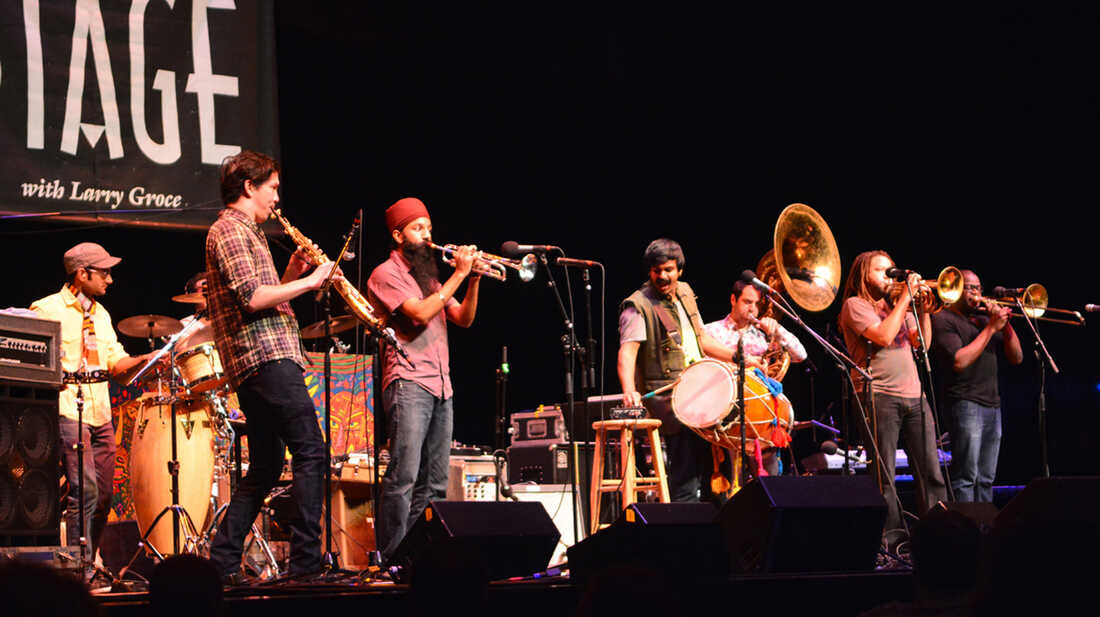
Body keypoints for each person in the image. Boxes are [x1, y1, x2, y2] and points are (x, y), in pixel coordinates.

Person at [204, 150, 337, 582]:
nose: (276, 199)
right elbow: (251, 298)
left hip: (264, 355)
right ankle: (304, 566)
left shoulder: (249, 232)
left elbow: (264, 296)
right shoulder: (228, 230)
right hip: (265, 358)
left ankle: (222, 563)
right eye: (272, 188)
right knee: (311, 450)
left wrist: (291, 273)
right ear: (249, 187)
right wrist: (312, 280)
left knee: (264, 466)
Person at [30, 242, 159, 574]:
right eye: (104, 272)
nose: (110, 279)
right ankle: (77, 568)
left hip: (100, 412)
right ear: (82, 273)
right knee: (83, 490)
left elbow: (115, 361)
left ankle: (88, 558)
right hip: (68, 410)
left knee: (102, 496)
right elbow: (35, 363)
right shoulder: (46, 310)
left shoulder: (100, 314)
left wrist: (142, 362)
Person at [366, 197, 482, 563]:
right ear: (398, 235)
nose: (428, 236)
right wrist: (460, 274)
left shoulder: (429, 277)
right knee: (403, 478)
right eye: (418, 229)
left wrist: (474, 278)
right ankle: (392, 559)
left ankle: (420, 557)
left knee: (434, 484)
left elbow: (463, 318)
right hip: (409, 382)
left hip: (441, 384)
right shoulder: (384, 274)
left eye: (429, 228)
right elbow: (417, 315)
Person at [838, 250, 947, 546]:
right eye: (881, 271)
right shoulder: (855, 305)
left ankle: (939, 537)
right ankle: (892, 543)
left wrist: (922, 309)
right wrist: (904, 301)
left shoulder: (898, 306)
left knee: (931, 472)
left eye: (892, 270)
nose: (890, 276)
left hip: (915, 396)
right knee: (884, 477)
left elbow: (921, 345)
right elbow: (884, 337)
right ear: (863, 275)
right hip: (878, 396)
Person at [617, 238, 736, 503]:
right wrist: (629, 392)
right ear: (649, 271)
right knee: (686, 478)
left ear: (679, 270)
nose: (662, 276)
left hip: (703, 395)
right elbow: (627, 352)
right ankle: (688, 535)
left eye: (668, 270)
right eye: (656, 270)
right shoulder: (638, 305)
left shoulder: (684, 292)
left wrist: (737, 357)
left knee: (718, 474)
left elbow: (702, 339)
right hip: (672, 401)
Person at [931, 270, 1022, 502]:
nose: (975, 293)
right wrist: (992, 328)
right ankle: (966, 530)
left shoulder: (982, 319)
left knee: (987, 478)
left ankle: (984, 529)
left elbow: (1017, 357)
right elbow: (959, 361)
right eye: (969, 287)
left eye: (978, 288)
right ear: (954, 289)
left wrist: (1006, 325)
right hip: (964, 402)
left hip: (992, 404)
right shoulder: (943, 319)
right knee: (966, 476)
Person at [704, 278, 808, 475]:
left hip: (762, 419)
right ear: (733, 300)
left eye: (756, 304)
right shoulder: (710, 331)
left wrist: (777, 332)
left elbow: (801, 355)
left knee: (770, 486)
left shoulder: (764, 334)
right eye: (747, 302)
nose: (752, 308)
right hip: (724, 418)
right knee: (729, 488)